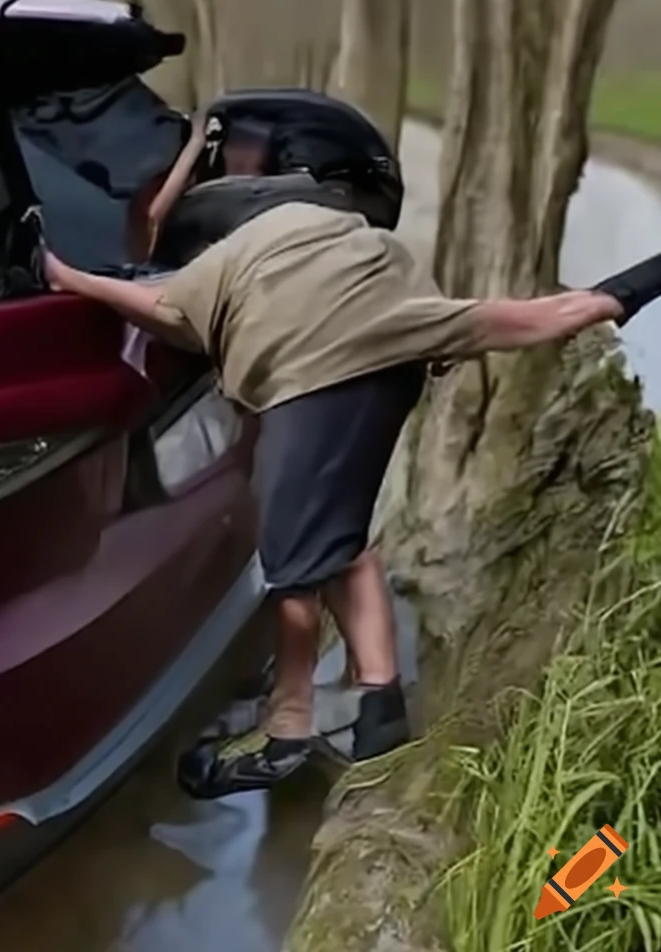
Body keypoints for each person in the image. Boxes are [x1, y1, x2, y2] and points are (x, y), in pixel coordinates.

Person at [39, 122, 661, 799]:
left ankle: (287, 732)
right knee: (340, 542)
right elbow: (502, 320)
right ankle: (379, 712)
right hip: (390, 378)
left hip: (314, 386)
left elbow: (161, 305)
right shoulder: (375, 245)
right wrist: (614, 294)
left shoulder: (247, 243)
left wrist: (70, 277)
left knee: (289, 566)